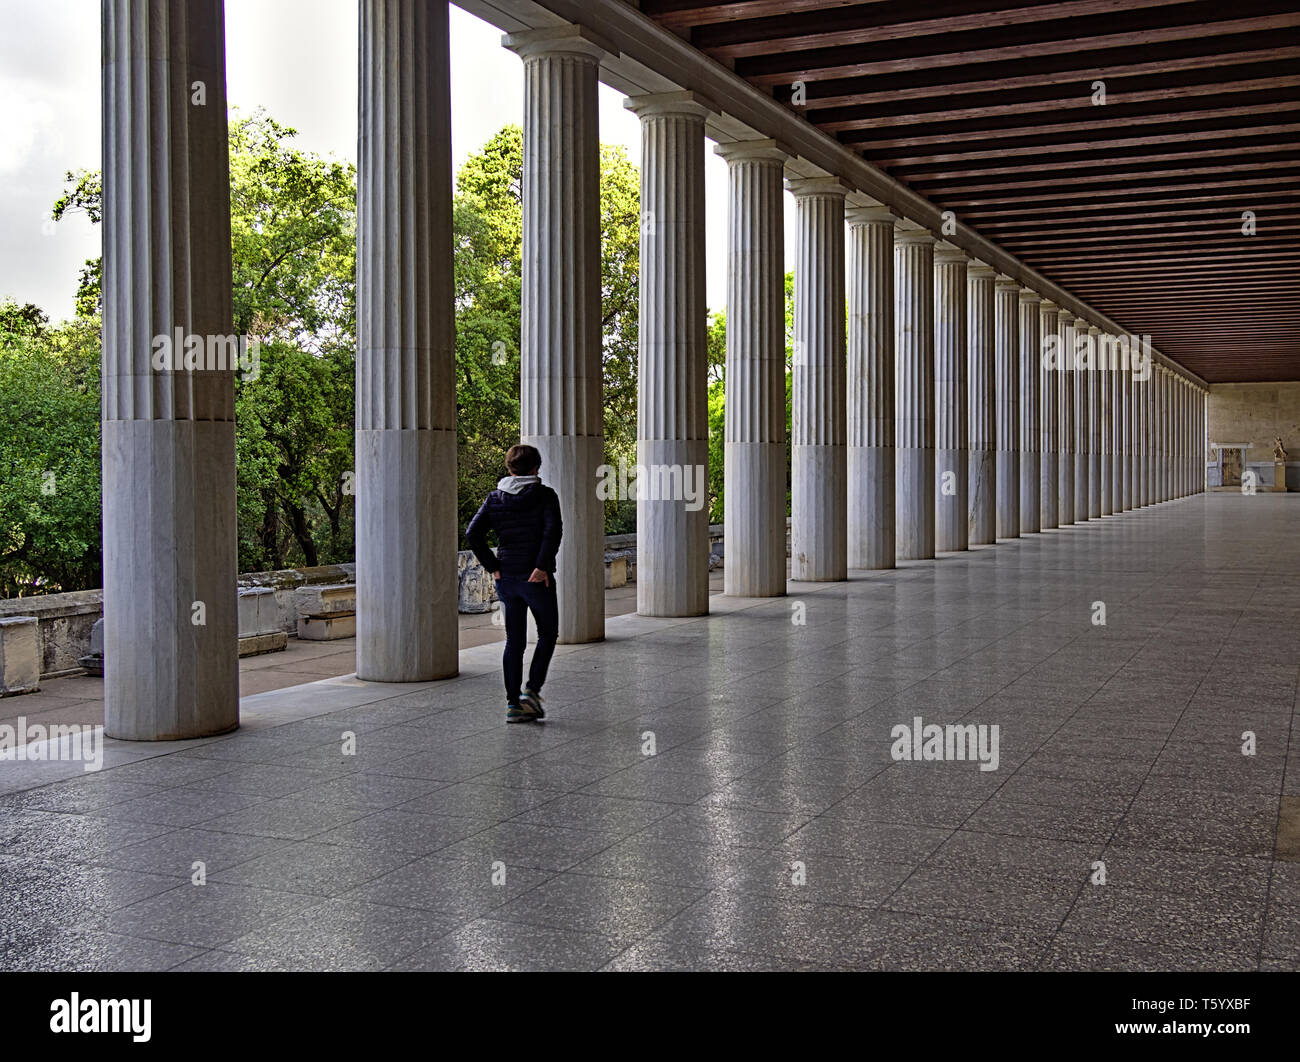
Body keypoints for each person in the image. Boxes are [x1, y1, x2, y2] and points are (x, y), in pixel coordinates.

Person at [465, 444, 562, 723]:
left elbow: (473, 534)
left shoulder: (495, 498)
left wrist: (493, 566)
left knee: (514, 640)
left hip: (507, 576)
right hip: (536, 577)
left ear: (509, 468)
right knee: (547, 633)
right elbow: (552, 531)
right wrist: (542, 567)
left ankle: (513, 704)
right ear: (536, 468)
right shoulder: (545, 495)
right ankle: (531, 691)